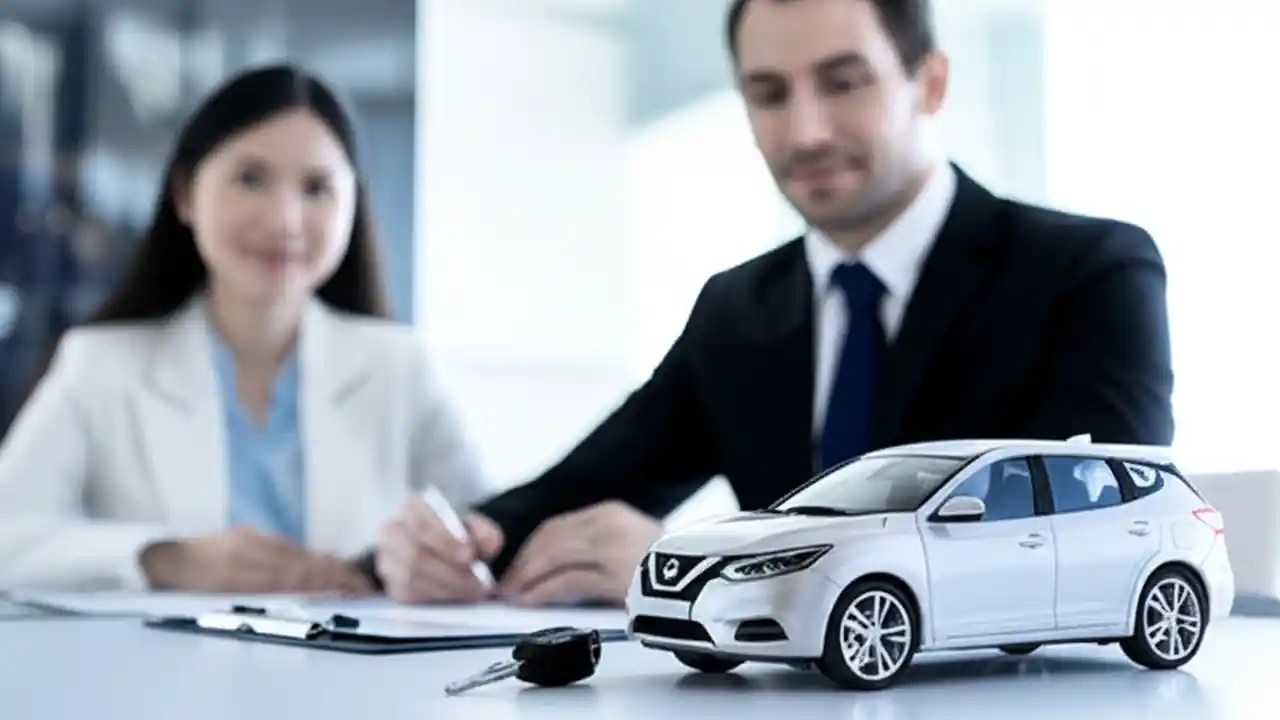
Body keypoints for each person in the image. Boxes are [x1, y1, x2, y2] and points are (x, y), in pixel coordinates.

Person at [373, 0, 1175, 607]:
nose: (806, 131)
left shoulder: (1088, 272)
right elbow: (582, 488)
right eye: (768, 93)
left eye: (843, 82)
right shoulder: (739, 310)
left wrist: (703, 574)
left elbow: (1097, 537)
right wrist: (434, 546)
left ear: (929, 83)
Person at [0, 65, 488, 593]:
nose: (285, 221)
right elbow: (10, 537)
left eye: (317, 188)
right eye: (251, 179)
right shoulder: (99, 364)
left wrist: (445, 561)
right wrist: (167, 559)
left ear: (353, 204)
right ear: (186, 194)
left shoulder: (401, 366)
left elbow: (489, 533)